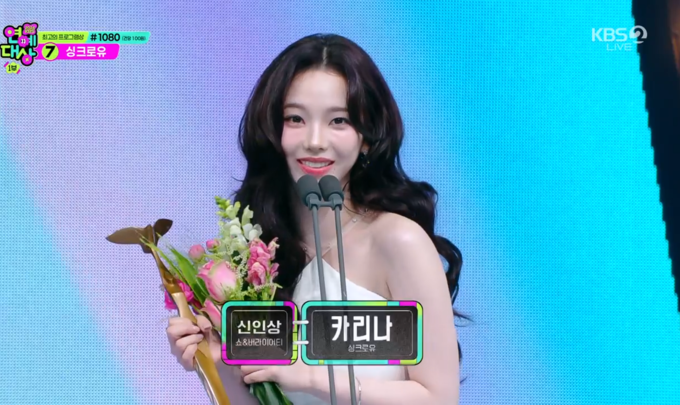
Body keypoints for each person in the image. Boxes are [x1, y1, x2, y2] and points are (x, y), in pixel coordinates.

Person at [166, 33, 464, 405]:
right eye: (296, 119)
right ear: (272, 131)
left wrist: (312, 377)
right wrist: (215, 360)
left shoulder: (398, 241)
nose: (315, 141)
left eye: (339, 120)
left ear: (367, 137)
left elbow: (439, 398)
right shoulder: (254, 259)